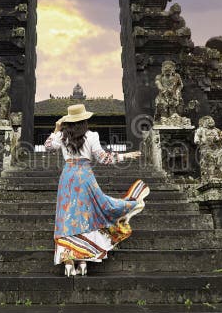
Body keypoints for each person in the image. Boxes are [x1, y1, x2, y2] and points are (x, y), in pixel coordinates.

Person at [44, 104, 149, 276]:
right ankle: (83, 260)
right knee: (85, 215)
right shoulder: (92, 135)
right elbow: (103, 158)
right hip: (85, 177)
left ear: (68, 121)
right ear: (85, 120)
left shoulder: (62, 136)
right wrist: (125, 155)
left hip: (68, 177)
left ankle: (68, 260)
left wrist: (56, 128)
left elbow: (48, 146)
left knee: (66, 216)